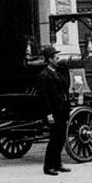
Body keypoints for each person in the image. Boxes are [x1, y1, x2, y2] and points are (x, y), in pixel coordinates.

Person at [36, 44, 71, 176]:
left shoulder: (58, 73)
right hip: (53, 112)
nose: (58, 60)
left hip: (62, 110)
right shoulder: (44, 75)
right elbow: (44, 97)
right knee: (54, 139)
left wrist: (65, 68)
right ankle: (48, 166)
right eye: (56, 58)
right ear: (50, 59)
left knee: (61, 138)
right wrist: (48, 113)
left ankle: (58, 163)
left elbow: (66, 86)